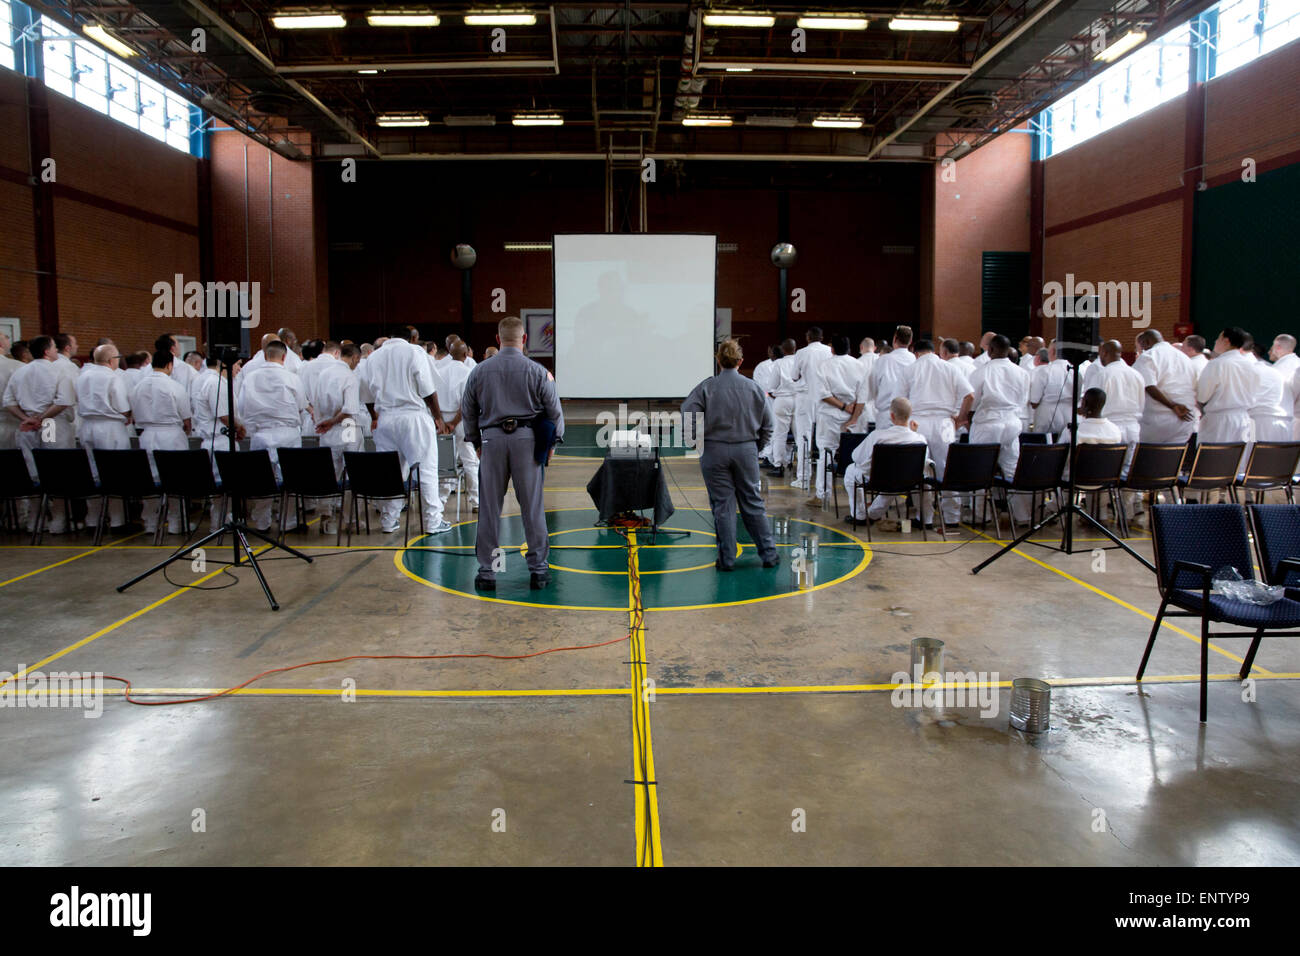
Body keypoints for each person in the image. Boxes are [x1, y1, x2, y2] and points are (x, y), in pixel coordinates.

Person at [462, 316, 564, 590]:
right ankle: (538, 571)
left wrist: (476, 442)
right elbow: (555, 412)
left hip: (492, 441)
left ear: (497, 339)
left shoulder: (479, 371)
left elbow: (468, 411)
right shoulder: (538, 371)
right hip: (527, 442)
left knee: (490, 509)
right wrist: (552, 444)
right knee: (532, 508)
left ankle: (489, 572)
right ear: (525, 340)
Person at [681, 338, 779, 571]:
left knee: (723, 506)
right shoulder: (754, 388)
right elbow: (769, 424)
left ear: (718, 361)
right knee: (753, 502)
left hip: (714, 450)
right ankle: (768, 554)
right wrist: (756, 447)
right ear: (740, 361)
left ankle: (726, 559)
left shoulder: (707, 386)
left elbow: (687, 413)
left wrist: (696, 442)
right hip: (746, 449)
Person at [357, 332, 452, 536]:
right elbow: (428, 389)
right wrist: (438, 417)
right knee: (425, 468)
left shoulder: (373, 357)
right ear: (413, 337)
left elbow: (366, 394)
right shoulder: (414, 351)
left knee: (391, 472)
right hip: (412, 416)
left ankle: (388, 520)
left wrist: (375, 417)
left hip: (385, 418)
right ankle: (432, 521)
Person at [903, 339, 973, 527]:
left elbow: (900, 400)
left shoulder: (910, 369)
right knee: (947, 468)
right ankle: (951, 517)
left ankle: (924, 518)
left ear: (916, 353)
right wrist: (960, 418)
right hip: (945, 423)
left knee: (922, 469)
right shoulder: (949, 368)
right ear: (934, 352)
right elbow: (970, 395)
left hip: (918, 422)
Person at [239, 341, 308, 532]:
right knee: (290, 480)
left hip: (260, 433)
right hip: (287, 433)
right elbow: (301, 405)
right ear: (284, 357)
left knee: (262, 480)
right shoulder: (291, 378)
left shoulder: (250, 377)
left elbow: (241, 407)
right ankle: (288, 522)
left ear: (264, 354)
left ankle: (262, 522)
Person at [969, 335, 1033, 525]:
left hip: (987, 423)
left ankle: (982, 515)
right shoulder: (1021, 373)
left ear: (990, 350)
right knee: (1012, 469)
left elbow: (974, 402)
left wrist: (968, 418)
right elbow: (1022, 401)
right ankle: (1023, 516)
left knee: (980, 470)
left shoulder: (982, 372)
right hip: (1012, 423)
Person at [843, 396, 930, 530]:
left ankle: (859, 516)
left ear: (891, 415)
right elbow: (923, 463)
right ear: (910, 415)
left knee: (851, 470)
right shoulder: (920, 439)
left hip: (879, 479)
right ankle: (874, 514)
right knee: (898, 479)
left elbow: (856, 457)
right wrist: (914, 433)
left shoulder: (877, 436)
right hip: (908, 481)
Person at [130, 349, 192, 535]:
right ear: (170, 365)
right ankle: (176, 523)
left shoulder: (138, 387)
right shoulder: (175, 387)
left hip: (147, 435)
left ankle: (150, 522)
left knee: (150, 481)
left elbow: (133, 415)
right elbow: (187, 420)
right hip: (171, 435)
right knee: (176, 480)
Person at [75, 343, 132, 530]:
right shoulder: (112, 377)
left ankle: (93, 519)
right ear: (110, 360)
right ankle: (117, 521)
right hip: (110, 427)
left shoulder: (83, 375)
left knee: (93, 472)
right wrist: (128, 415)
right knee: (114, 473)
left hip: (88, 426)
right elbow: (122, 406)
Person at [313, 343, 366, 535]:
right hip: (346, 427)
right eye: (357, 361)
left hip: (325, 430)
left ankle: (327, 519)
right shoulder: (349, 376)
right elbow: (349, 409)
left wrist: (324, 421)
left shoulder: (324, 374)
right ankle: (351, 520)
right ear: (354, 358)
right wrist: (332, 421)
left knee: (328, 475)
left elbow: (315, 401)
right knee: (351, 473)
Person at [812, 335, 865, 501]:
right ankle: (858, 497)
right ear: (849, 348)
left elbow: (824, 394)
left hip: (830, 414)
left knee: (826, 454)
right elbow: (862, 397)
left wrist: (842, 406)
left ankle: (822, 495)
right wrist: (853, 416)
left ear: (832, 349)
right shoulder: (859, 365)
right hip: (853, 415)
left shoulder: (824, 365)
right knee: (856, 456)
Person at [190, 354, 234, 532]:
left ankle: (220, 520)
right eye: (236, 364)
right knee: (223, 485)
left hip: (209, 438)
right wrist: (238, 428)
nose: (237, 368)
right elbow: (224, 416)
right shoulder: (216, 383)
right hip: (219, 439)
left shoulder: (198, 380)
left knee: (218, 486)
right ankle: (221, 522)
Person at [436, 341, 480, 514]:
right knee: (469, 460)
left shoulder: (438, 372)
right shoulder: (469, 372)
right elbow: (467, 404)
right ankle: (476, 501)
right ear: (465, 355)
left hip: (442, 419)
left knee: (445, 462)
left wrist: (441, 420)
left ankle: (440, 501)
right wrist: (454, 422)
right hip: (461, 420)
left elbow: (432, 399)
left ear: (449, 353)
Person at [1133, 329, 1198, 446]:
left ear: (1146, 342)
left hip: (1158, 419)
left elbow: (1149, 386)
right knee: (1172, 461)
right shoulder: (1185, 358)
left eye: (1142, 346)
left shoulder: (1148, 356)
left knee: (1146, 460)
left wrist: (1173, 405)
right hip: (1185, 419)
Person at [1196, 327, 1255, 448]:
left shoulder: (1217, 363)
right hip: (1245, 419)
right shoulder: (1251, 365)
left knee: (1214, 462)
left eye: (1218, 338)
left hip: (1220, 421)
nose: (1215, 341)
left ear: (1226, 341)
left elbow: (1202, 396)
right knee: (1240, 462)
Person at [790, 327, 832, 490]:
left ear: (808, 337)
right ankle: (823, 483)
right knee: (823, 439)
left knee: (803, 438)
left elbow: (794, 376)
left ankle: (804, 478)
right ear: (821, 337)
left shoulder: (801, 353)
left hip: (805, 396)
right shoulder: (829, 351)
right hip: (825, 398)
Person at [868, 324, 916, 429]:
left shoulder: (882, 360)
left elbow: (872, 386)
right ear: (910, 341)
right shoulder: (915, 361)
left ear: (894, 339)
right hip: (908, 416)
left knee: (883, 444)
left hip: (886, 414)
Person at [762, 339, 798, 475]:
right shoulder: (799, 360)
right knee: (799, 435)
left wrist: (774, 395)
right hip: (799, 399)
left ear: (783, 350)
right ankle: (801, 467)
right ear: (795, 348)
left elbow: (771, 386)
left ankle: (778, 465)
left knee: (780, 434)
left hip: (782, 399)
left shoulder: (779, 363)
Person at [1029, 341, 1071, 439]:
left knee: (1044, 446)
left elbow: (1034, 401)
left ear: (1052, 351)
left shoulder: (1044, 371)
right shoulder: (1076, 371)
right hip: (1069, 415)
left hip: (1047, 416)